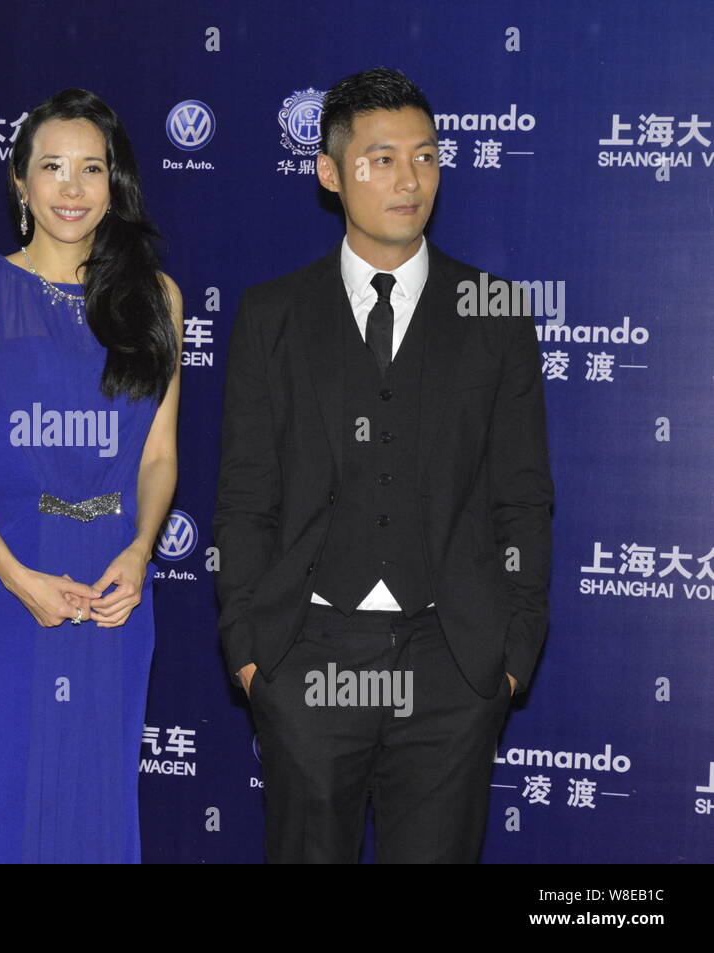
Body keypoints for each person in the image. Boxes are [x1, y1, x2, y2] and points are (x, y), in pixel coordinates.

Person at [214, 68, 552, 863]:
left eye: (426, 156)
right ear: (330, 173)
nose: (410, 179)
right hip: (308, 656)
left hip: (453, 662)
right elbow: (245, 494)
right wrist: (253, 652)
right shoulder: (273, 315)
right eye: (382, 158)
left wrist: (510, 655)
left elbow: (524, 494)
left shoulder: (494, 310)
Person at [0, 88, 182, 863]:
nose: (72, 188)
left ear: (116, 184)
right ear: (21, 184)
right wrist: (15, 575)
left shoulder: (156, 299)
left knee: (93, 809)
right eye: (53, 167)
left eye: (91, 168)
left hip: (110, 582)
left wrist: (139, 551)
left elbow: (160, 455)